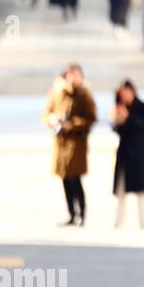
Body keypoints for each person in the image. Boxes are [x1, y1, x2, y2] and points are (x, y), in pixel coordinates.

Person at [42, 64, 96, 226]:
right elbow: (46, 114)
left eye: (76, 75)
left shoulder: (84, 95)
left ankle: (82, 213)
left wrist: (73, 124)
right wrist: (54, 119)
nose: (73, 79)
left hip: (76, 143)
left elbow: (91, 118)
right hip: (61, 143)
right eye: (70, 75)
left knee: (76, 179)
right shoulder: (57, 93)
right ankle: (72, 213)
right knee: (65, 179)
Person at [111, 79, 144, 228]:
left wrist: (128, 117)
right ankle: (118, 221)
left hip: (139, 153)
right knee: (121, 190)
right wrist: (117, 119)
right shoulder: (119, 107)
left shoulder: (142, 107)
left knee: (142, 191)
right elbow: (117, 130)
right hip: (124, 153)